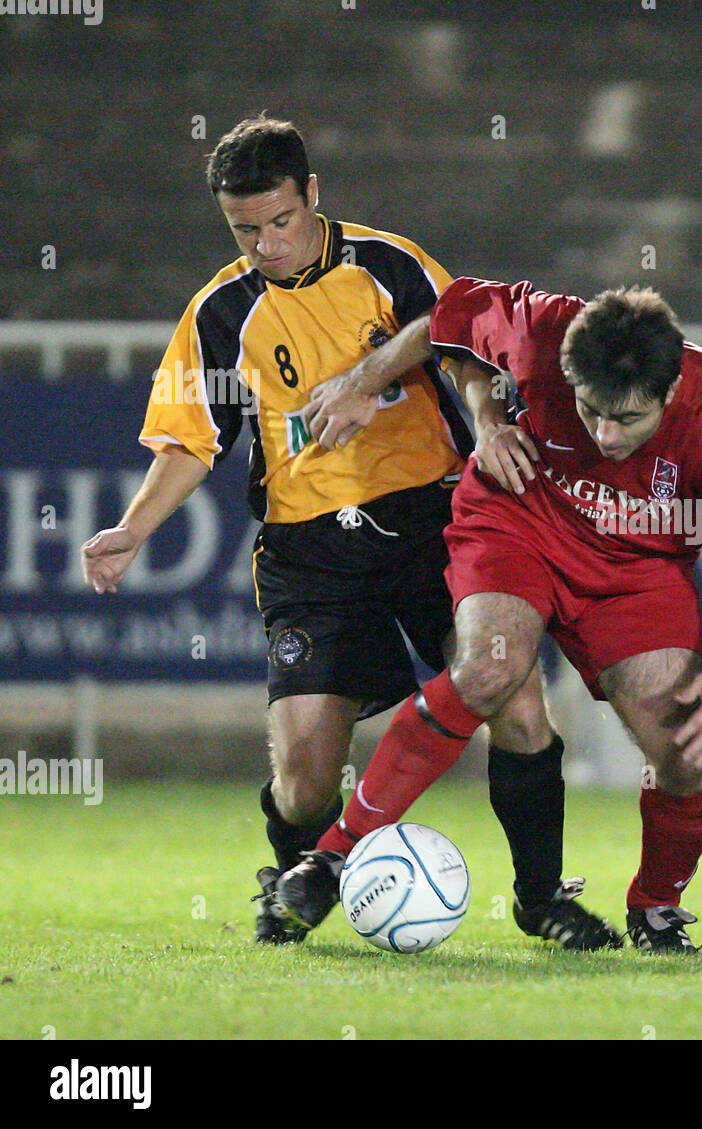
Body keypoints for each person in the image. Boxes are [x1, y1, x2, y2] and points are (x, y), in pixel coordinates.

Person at [80, 116, 620, 951]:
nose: (266, 243)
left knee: (513, 693)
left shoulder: (389, 265)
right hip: (311, 552)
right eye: (245, 229)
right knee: (301, 775)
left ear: (314, 196)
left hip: (435, 523)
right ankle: (296, 879)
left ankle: (541, 896)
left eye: (280, 221)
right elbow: (192, 437)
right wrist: (133, 527)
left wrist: (482, 423)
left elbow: (465, 346)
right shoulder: (221, 313)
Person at [276, 276, 702, 951]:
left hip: (637, 572)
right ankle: (332, 857)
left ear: (672, 391)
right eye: (590, 409)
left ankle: (655, 905)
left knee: (685, 750)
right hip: (519, 521)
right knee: (489, 669)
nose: (603, 432)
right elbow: (448, 321)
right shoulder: (544, 329)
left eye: (627, 419)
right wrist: (441, 403)